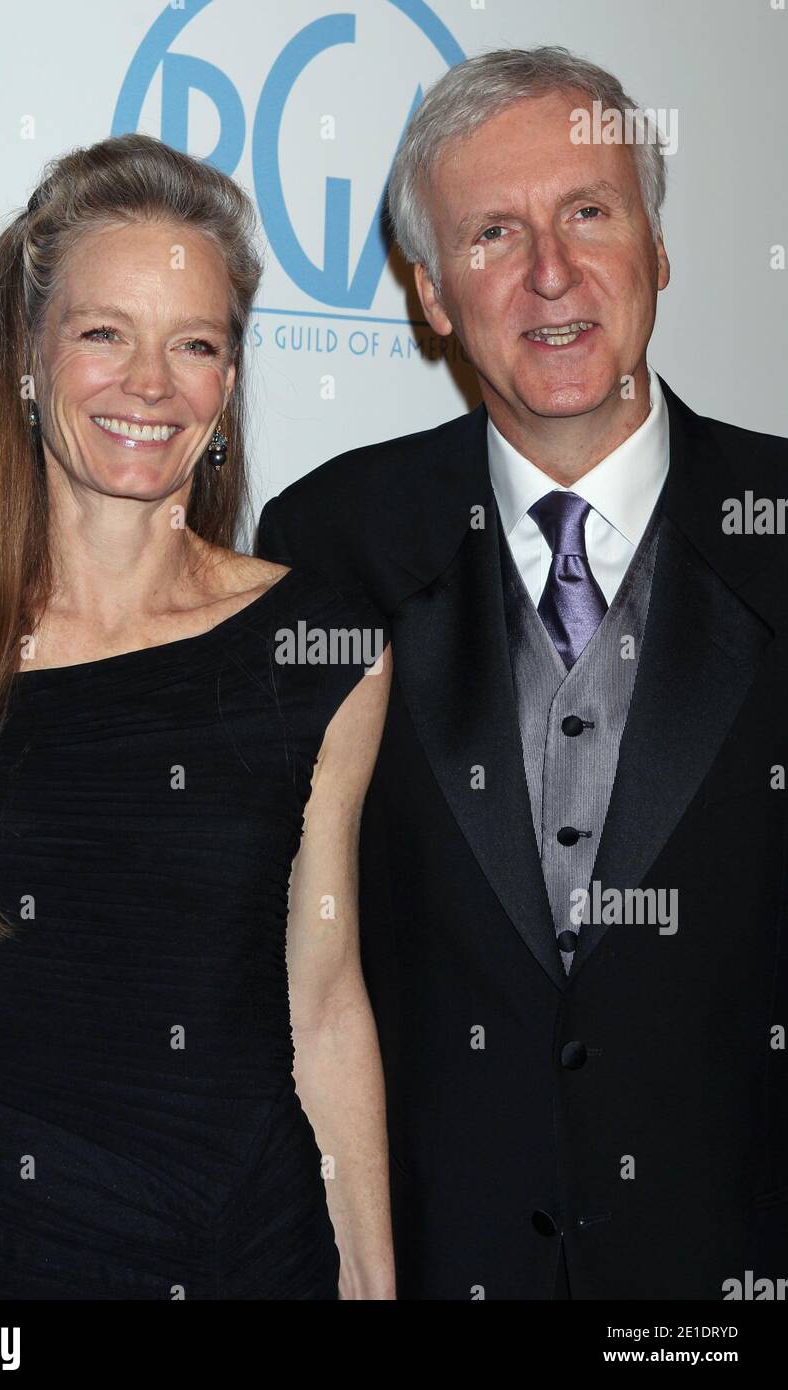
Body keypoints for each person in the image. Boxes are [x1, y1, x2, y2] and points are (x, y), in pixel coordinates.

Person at [257, 46, 788, 1299]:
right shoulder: (327, 542)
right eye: (492, 233)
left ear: (657, 247)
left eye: (588, 213)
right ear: (431, 295)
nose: (551, 274)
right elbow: (284, 961)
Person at [0, 133, 394, 1300]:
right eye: (105, 332)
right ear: (28, 350)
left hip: (244, 1262)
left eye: (194, 345)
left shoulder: (318, 651)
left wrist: (371, 1283)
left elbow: (324, 998)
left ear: (229, 378)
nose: (150, 385)